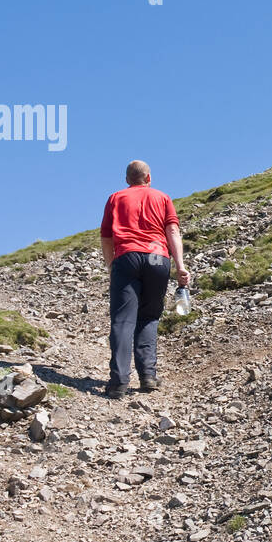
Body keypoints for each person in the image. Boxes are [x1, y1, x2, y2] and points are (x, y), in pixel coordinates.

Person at [99, 160, 190, 398]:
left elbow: (107, 238)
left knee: (122, 320)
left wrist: (112, 266)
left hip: (126, 258)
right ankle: (148, 376)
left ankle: (118, 382)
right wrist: (180, 267)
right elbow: (172, 232)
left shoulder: (115, 198)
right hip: (158, 258)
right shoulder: (163, 197)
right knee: (149, 317)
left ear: (127, 179)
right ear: (148, 178)